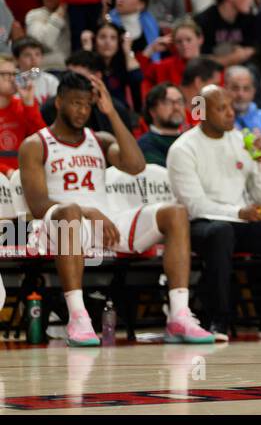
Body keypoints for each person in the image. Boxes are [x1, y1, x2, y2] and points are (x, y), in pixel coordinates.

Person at [19, 72, 213, 346]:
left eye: (88, 104)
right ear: (59, 102)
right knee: (70, 212)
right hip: (58, 225)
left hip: (103, 223)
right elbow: (38, 205)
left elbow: (136, 166)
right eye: (76, 103)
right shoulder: (35, 144)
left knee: (175, 213)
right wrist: (86, 211)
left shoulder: (99, 139)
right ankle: (78, 317)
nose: (83, 111)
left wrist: (111, 113)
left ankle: (179, 314)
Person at [168, 84, 261, 341]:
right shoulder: (183, 149)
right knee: (220, 232)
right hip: (201, 225)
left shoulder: (239, 139)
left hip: (240, 221)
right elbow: (194, 205)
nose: (230, 114)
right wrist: (239, 212)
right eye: (221, 108)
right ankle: (218, 319)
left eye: (231, 108)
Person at [194, 0, 260, 67]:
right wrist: (233, 58)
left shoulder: (249, 19)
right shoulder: (204, 21)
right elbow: (201, 61)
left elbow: (254, 49)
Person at [0, 53, 43, 173]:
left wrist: (29, 104)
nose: (13, 79)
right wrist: (6, 171)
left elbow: (41, 139)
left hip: (24, 174)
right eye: (6, 74)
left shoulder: (22, 104)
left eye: (15, 74)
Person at [136, 82, 187, 165]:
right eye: (168, 102)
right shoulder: (145, 145)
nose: (176, 107)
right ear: (152, 111)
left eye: (179, 101)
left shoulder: (190, 138)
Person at [225, 64, 261, 138]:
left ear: (253, 91)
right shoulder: (216, 117)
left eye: (246, 89)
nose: (240, 94)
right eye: (235, 88)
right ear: (225, 89)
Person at [13, 36, 60, 103]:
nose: (33, 59)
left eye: (37, 54)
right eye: (27, 55)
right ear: (16, 59)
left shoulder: (50, 81)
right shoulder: (11, 81)